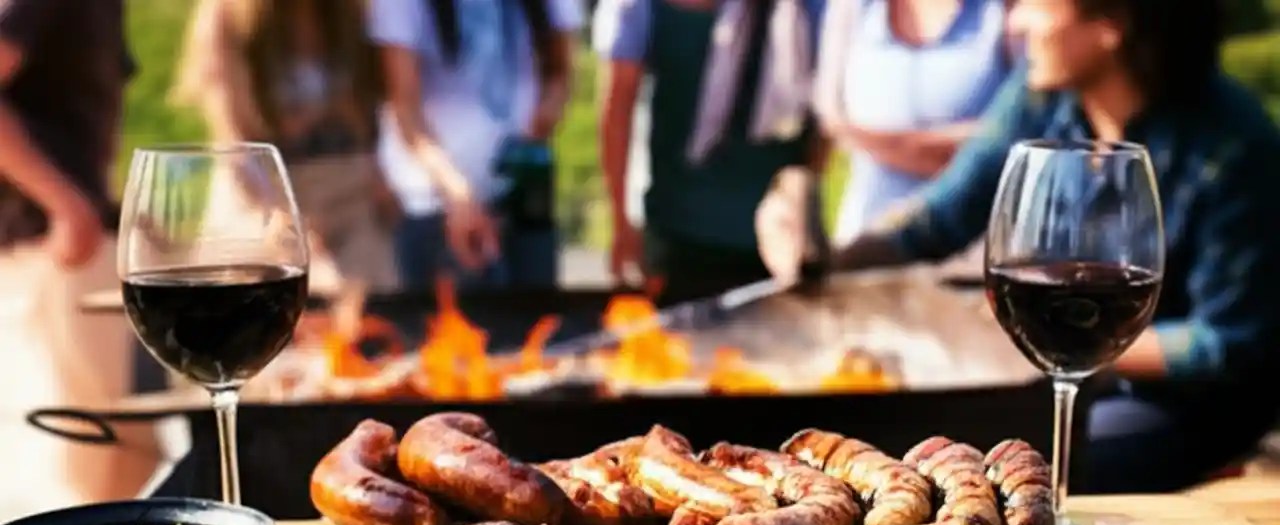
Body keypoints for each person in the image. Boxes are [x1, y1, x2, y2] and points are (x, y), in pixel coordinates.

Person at [757, 0, 1280, 493]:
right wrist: (820, 254)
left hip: (1186, 404)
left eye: (1036, 4)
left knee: (1006, 470)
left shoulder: (1232, 147)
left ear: (1111, 24)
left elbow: (1227, 343)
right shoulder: (1041, 96)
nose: (1015, 23)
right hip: (1066, 377)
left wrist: (1067, 350)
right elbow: (938, 220)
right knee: (935, 453)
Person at [0, 0, 159, 521]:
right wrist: (63, 202)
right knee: (77, 458)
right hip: (50, 243)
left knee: (129, 455)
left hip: (80, 233)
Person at [594, 0, 828, 302]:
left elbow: (825, 117)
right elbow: (618, 107)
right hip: (676, 229)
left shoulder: (808, 9)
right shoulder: (641, 8)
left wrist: (800, 204)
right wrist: (622, 225)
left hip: (778, 243)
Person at [174, 0, 397, 292]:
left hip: (348, 195)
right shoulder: (229, 15)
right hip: (263, 194)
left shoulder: (353, 13)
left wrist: (378, 175)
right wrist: (282, 217)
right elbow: (234, 146)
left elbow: (371, 121)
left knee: (371, 311)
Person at [369, 0, 582, 292]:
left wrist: (539, 126)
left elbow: (561, 73)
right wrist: (459, 196)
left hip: (518, 199)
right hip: (435, 205)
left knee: (537, 324)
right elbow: (405, 110)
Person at [813, 0, 1015, 242]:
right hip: (865, 245)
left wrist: (874, 142)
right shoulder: (852, 7)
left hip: (970, 256)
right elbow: (830, 121)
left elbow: (1015, 142)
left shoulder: (1006, 10)